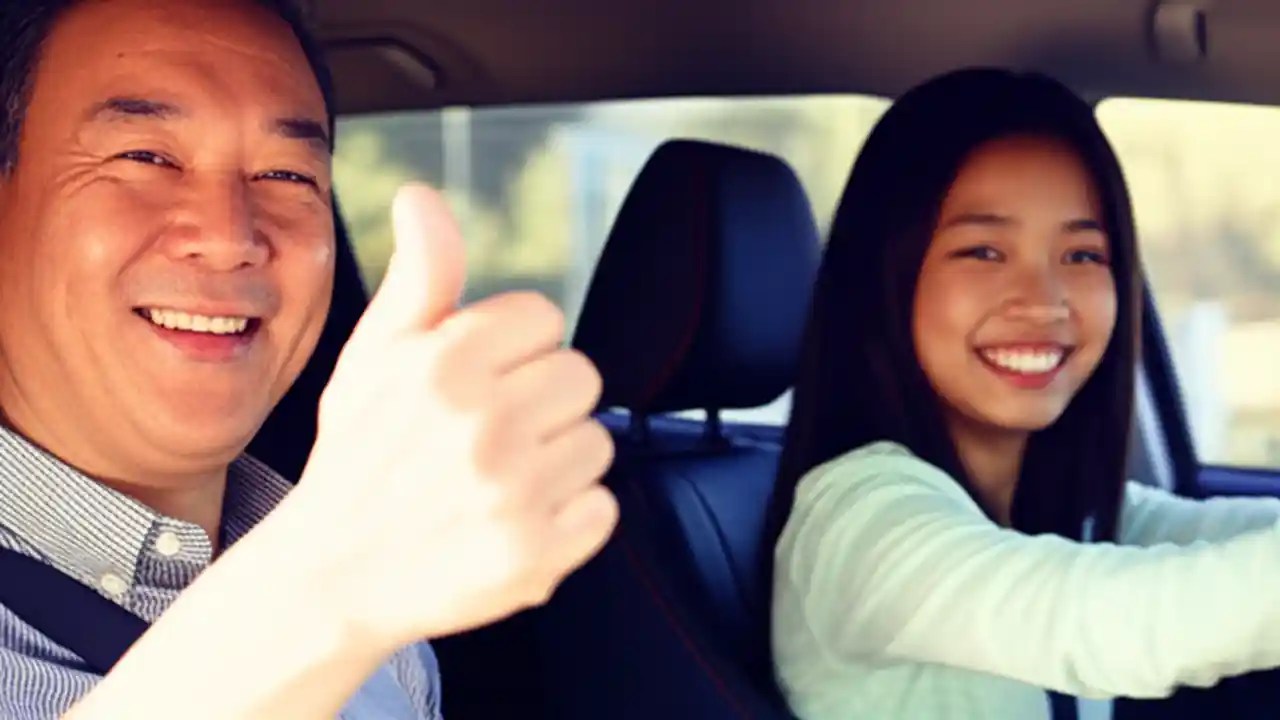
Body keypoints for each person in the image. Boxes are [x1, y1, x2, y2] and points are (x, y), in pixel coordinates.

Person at [0, 1, 618, 718]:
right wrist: (325, 592)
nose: (231, 235)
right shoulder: (350, 579)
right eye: (145, 157)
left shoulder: (390, 629)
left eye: (288, 175)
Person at [767, 67, 1280, 720]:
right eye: (983, 251)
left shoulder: (1060, 506)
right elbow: (1125, 623)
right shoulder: (856, 521)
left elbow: (1241, 538)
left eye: (1082, 255)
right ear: (886, 276)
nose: (1044, 302)